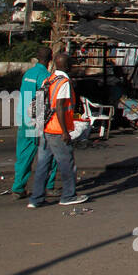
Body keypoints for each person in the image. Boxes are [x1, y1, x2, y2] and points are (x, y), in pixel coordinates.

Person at [27, 52, 88, 208]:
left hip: (45, 129)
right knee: (67, 164)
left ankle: (36, 199)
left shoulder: (48, 80)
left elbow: (40, 104)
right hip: (57, 130)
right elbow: (60, 107)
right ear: (68, 66)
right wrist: (65, 131)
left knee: (42, 165)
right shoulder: (64, 82)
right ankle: (68, 196)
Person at [9, 46, 55, 199]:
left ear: (36, 57)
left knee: (24, 154)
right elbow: (42, 101)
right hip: (35, 121)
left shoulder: (28, 73)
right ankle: (48, 186)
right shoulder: (45, 76)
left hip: (23, 118)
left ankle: (18, 188)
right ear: (51, 59)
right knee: (50, 153)